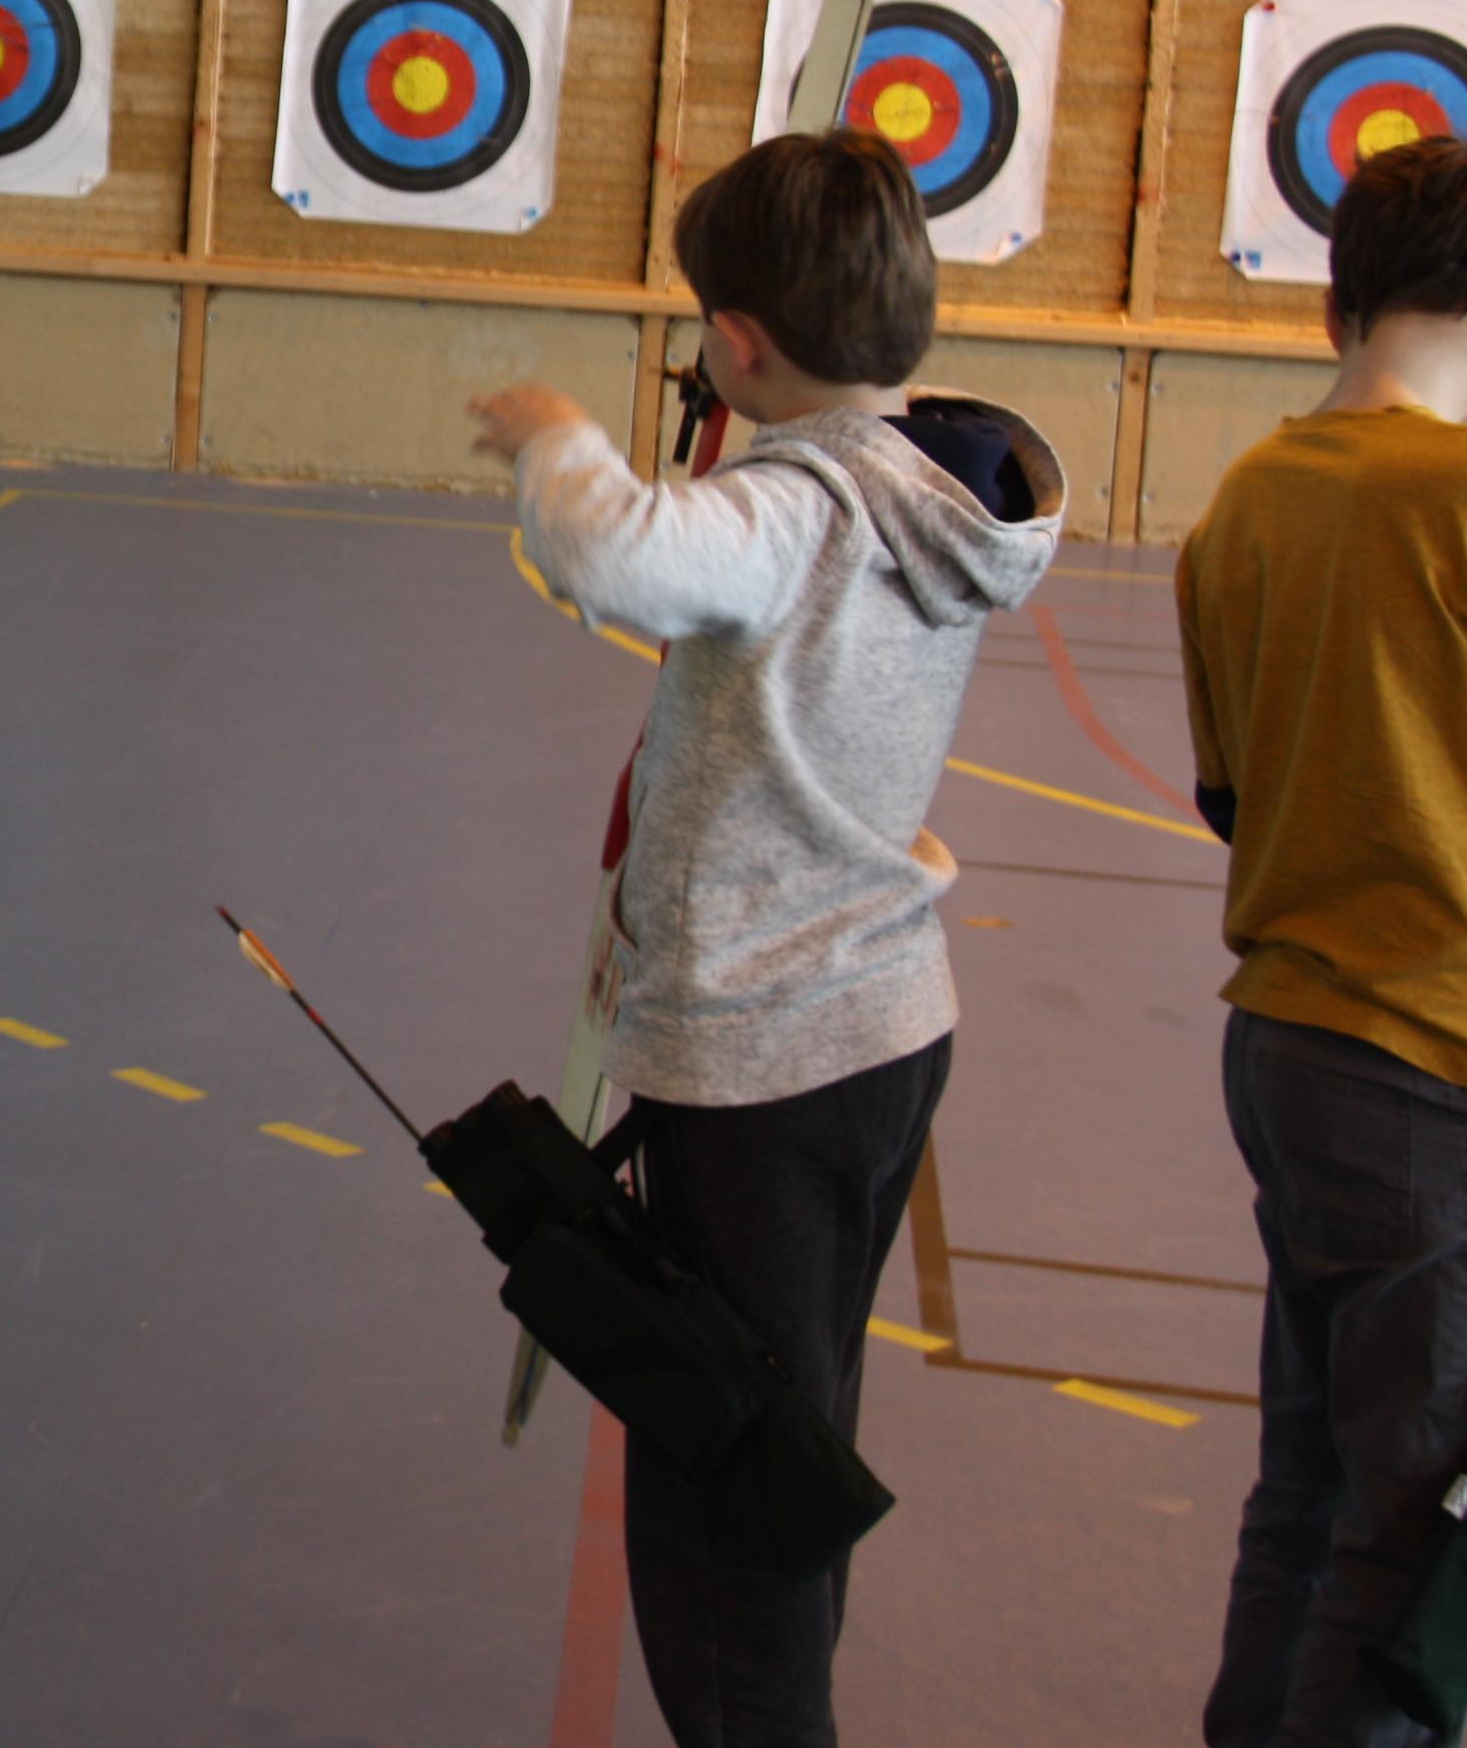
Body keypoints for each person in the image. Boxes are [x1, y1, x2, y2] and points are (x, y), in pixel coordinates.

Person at [470, 129, 1059, 1747]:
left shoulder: (804, 506)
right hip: (876, 1027)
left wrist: (559, 436)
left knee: (727, 1465)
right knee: (788, 1426)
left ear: (736, 343)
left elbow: (618, 552)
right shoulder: (929, 483)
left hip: (764, 1060)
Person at [1177, 136, 1467, 1747]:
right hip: (1449, 1070)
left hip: (1292, 1049)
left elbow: (1228, 791)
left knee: (1312, 1486)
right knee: (1410, 1537)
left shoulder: (1249, 494)